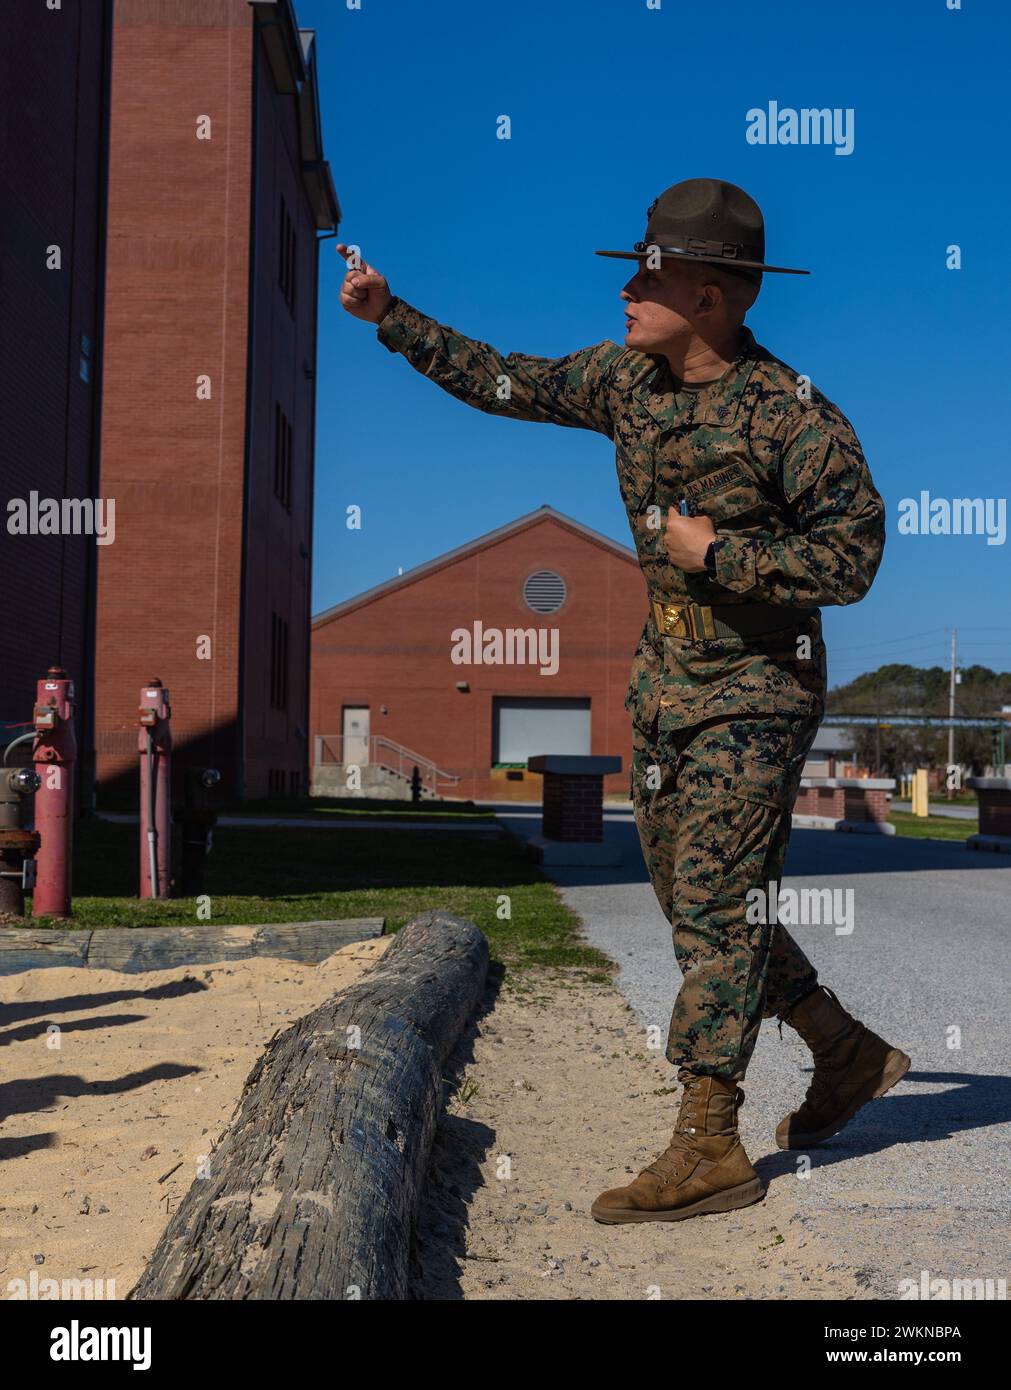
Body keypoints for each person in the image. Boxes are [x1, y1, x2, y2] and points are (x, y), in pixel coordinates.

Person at [336, 178, 910, 1226]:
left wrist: (722, 552)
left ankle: (709, 1140)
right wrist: (393, 317)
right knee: (696, 903)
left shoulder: (791, 415)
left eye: (651, 275)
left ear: (714, 298)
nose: (626, 292)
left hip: (758, 685)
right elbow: (505, 380)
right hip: (663, 682)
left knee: (717, 904)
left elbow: (855, 554)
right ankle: (843, 1046)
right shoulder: (622, 381)